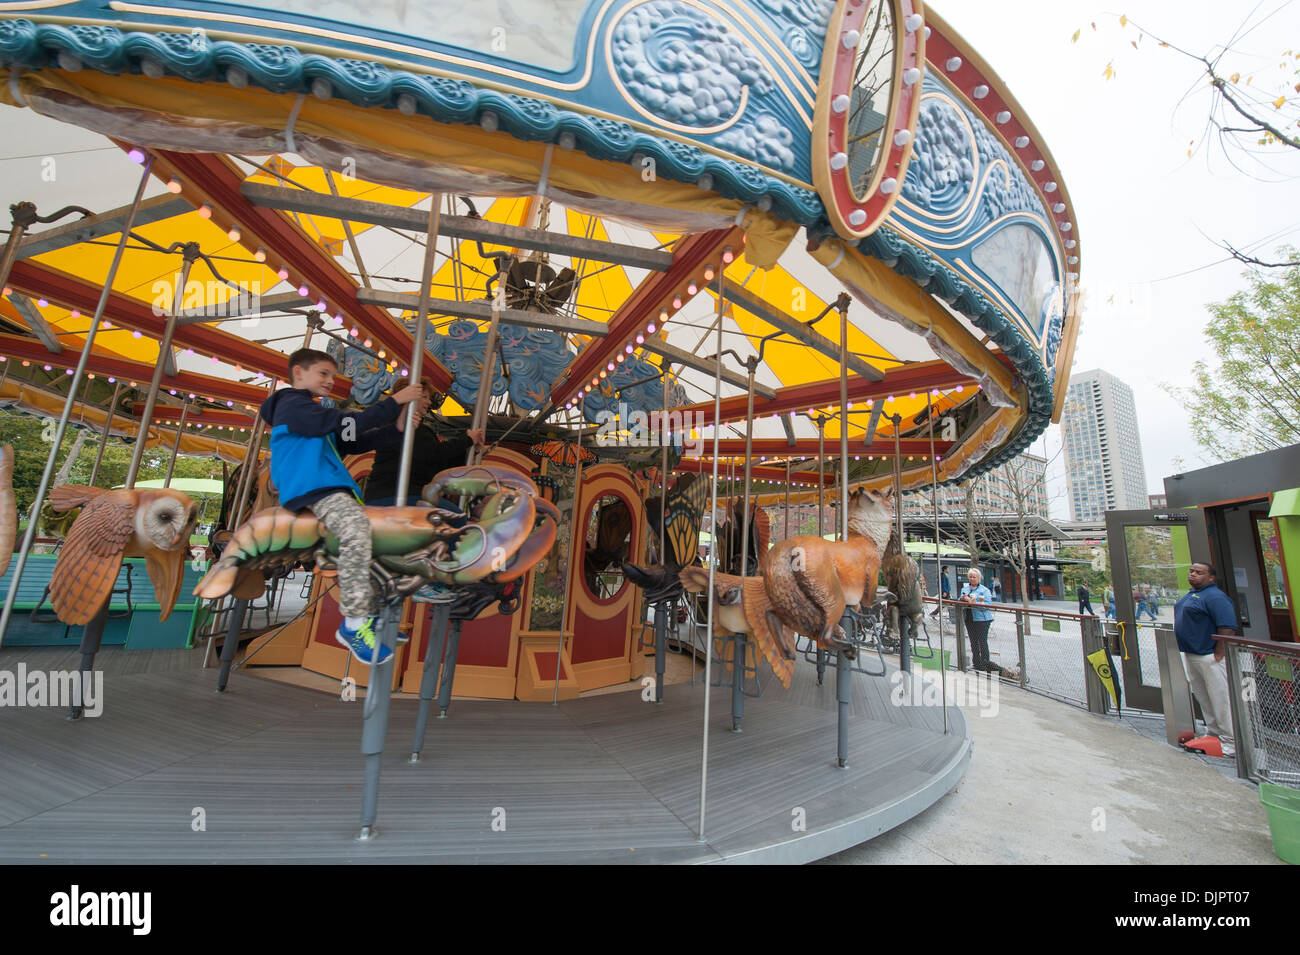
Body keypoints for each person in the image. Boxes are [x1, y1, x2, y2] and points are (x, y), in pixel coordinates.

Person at [261, 348, 424, 665]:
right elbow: (352, 420)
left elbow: (354, 439)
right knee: (356, 529)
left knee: (376, 543)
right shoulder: (292, 405)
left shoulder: (312, 415)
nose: (330, 381)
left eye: (332, 376)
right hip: (312, 488)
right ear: (298, 373)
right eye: (323, 373)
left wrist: (398, 428)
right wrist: (396, 401)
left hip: (326, 487)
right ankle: (352, 623)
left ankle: (371, 613)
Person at [363, 379, 484, 507]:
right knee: (456, 518)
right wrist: (467, 440)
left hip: (397, 493)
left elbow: (439, 464)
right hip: (396, 494)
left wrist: (470, 450)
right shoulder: (403, 427)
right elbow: (435, 454)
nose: (429, 402)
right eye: (424, 397)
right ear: (409, 397)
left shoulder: (417, 429)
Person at [1174, 562, 1239, 755]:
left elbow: (1227, 626)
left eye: (1199, 572)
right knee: (1204, 696)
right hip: (1192, 653)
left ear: (1211, 577)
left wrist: (1218, 653)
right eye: (1192, 571)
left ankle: (1231, 740)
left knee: (1221, 698)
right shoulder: (1192, 594)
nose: (1193, 574)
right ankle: (1214, 733)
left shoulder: (1216, 597)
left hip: (1209, 656)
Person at [959, 567, 998, 672]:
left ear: (979, 578)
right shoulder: (965, 589)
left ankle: (986, 664)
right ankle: (976, 663)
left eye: (974, 577)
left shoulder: (984, 590)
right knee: (973, 642)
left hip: (982, 619)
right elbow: (959, 599)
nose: (972, 579)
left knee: (982, 642)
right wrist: (963, 599)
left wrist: (975, 602)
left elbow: (988, 605)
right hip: (969, 618)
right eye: (970, 577)